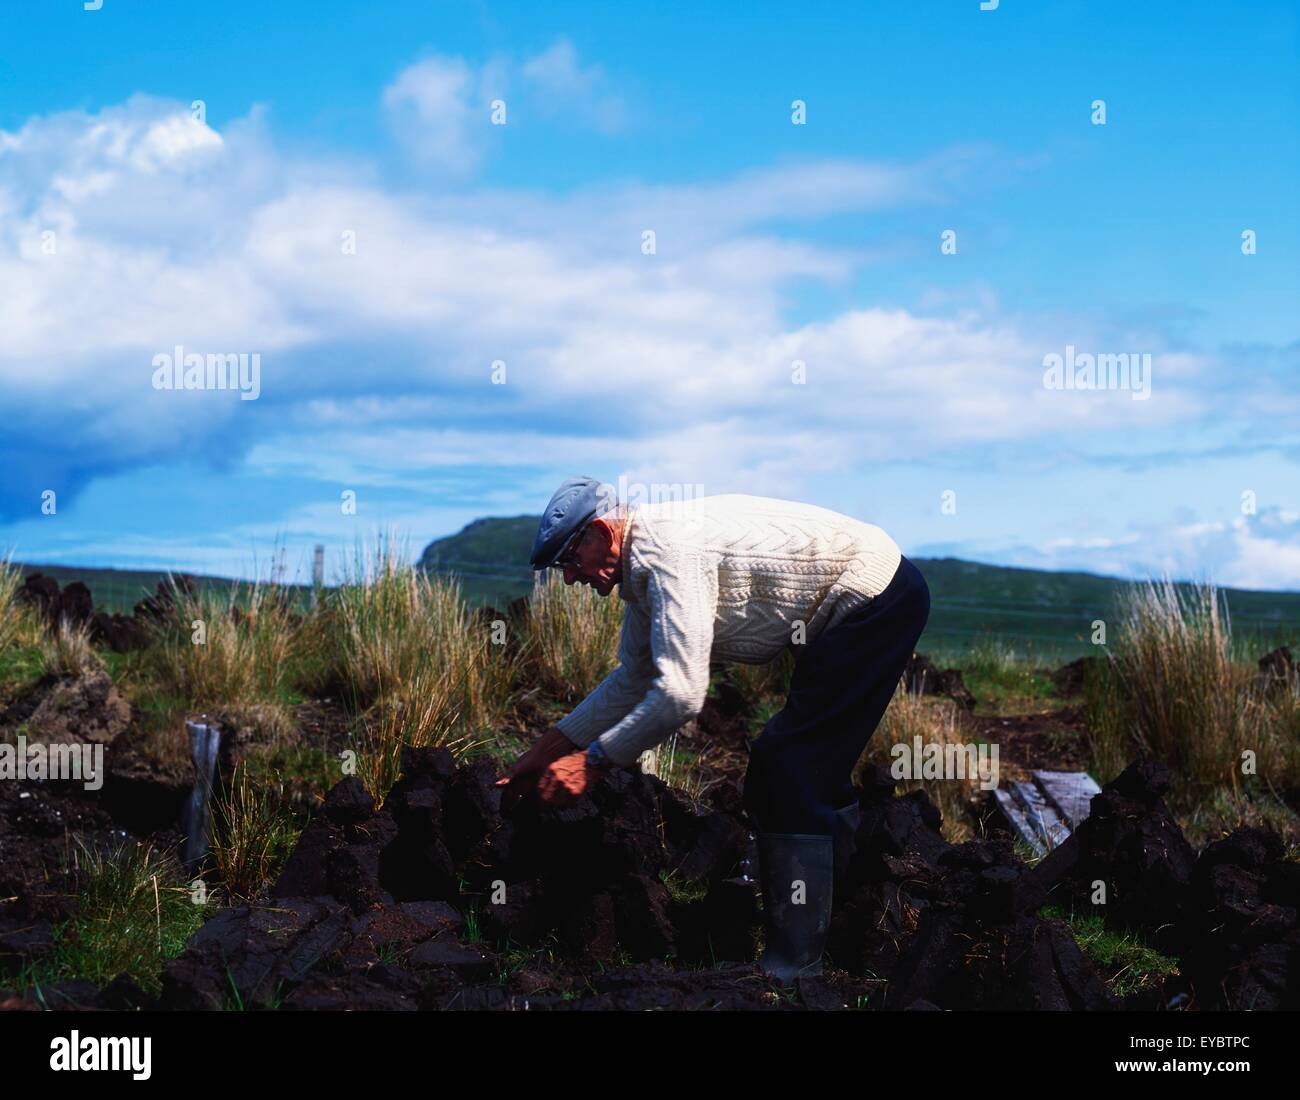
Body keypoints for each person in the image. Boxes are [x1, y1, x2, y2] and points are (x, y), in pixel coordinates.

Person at [496, 475, 930, 981]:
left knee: (789, 764)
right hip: (847, 611)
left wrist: (592, 763)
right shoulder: (640, 568)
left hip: (874, 597)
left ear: (601, 531)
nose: (570, 578)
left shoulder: (666, 554)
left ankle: (796, 965)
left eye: (570, 559)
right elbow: (633, 680)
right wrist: (547, 750)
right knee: (808, 766)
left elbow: (680, 694)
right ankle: (837, 927)